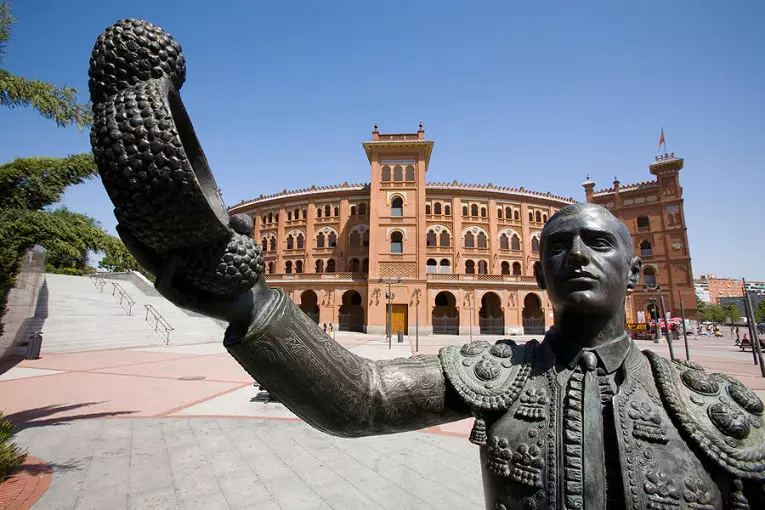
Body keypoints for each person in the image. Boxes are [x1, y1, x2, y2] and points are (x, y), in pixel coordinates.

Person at [122, 203, 765, 509]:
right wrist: (251, 306)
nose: (577, 254)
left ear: (637, 268)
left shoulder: (716, 407)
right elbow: (360, 398)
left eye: (599, 241)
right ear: (538, 273)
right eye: (560, 244)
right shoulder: (500, 372)